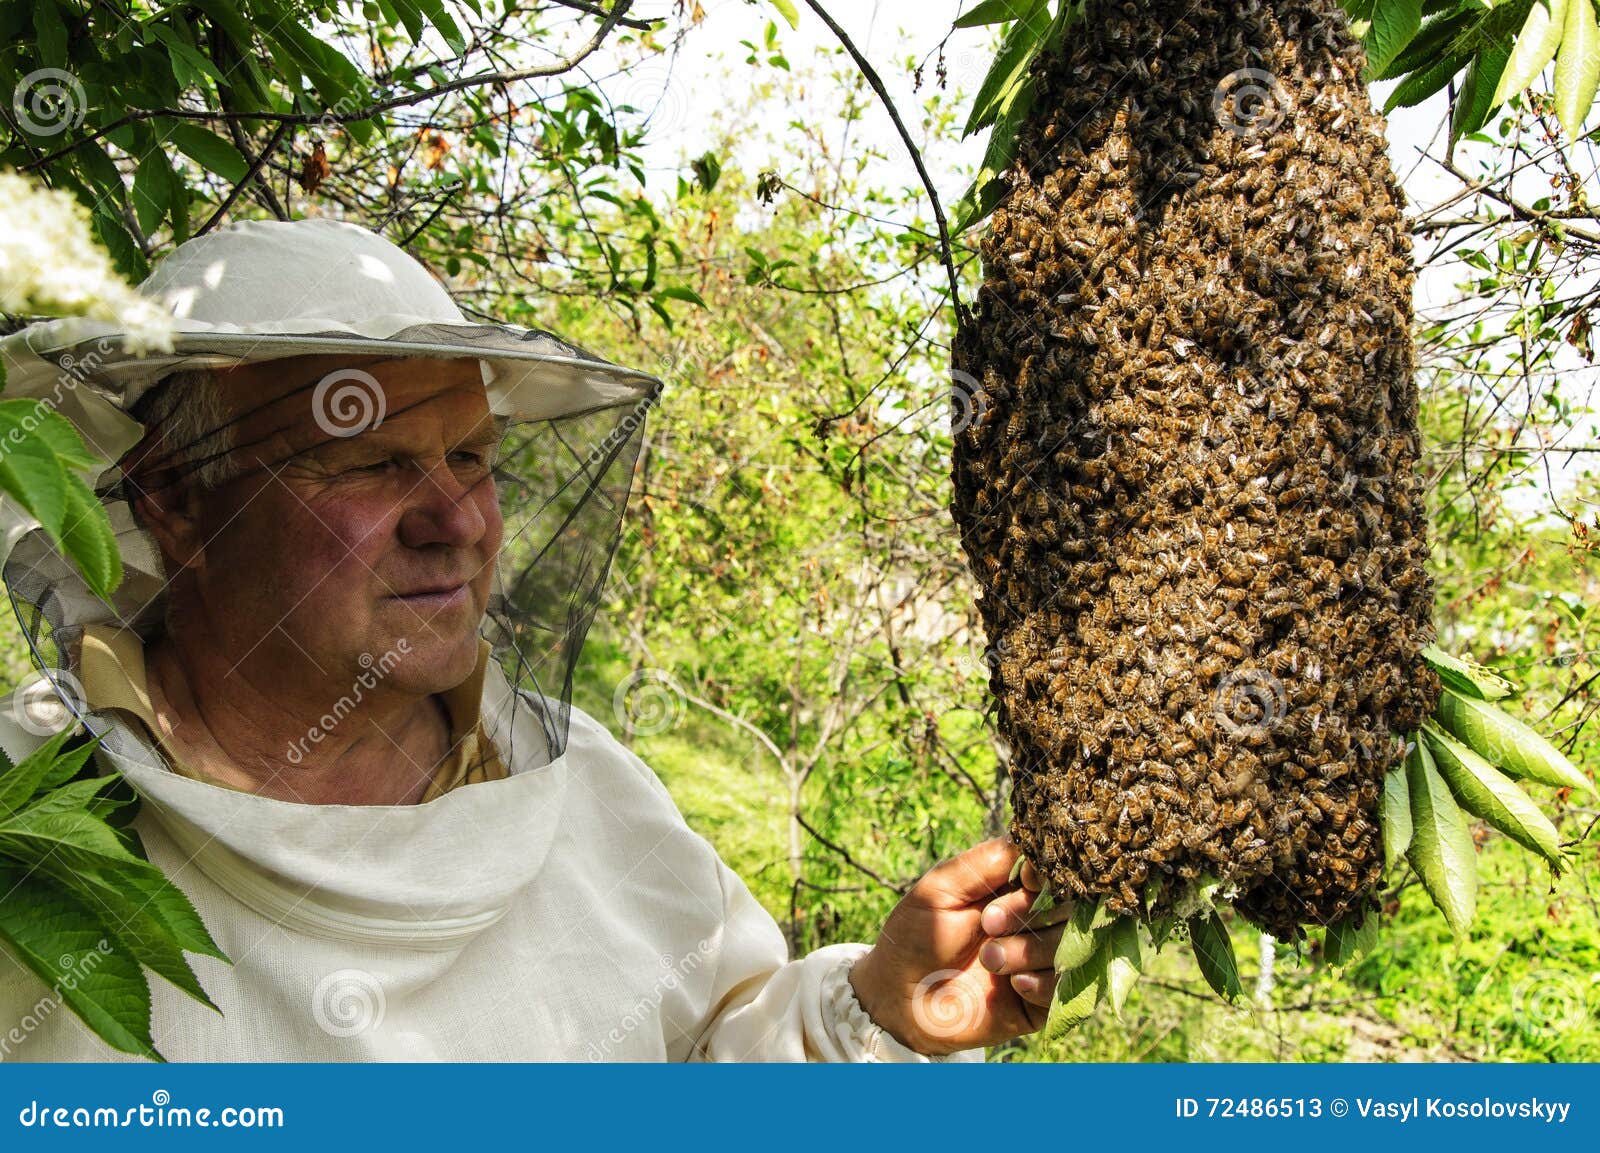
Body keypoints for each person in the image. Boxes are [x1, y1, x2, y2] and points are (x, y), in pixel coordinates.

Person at [0, 219, 1068, 1061]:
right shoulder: (31, 832)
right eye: (372, 464)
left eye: (472, 457)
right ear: (178, 502)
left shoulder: (590, 788)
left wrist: (883, 1011)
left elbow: (713, 1069)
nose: (456, 519)